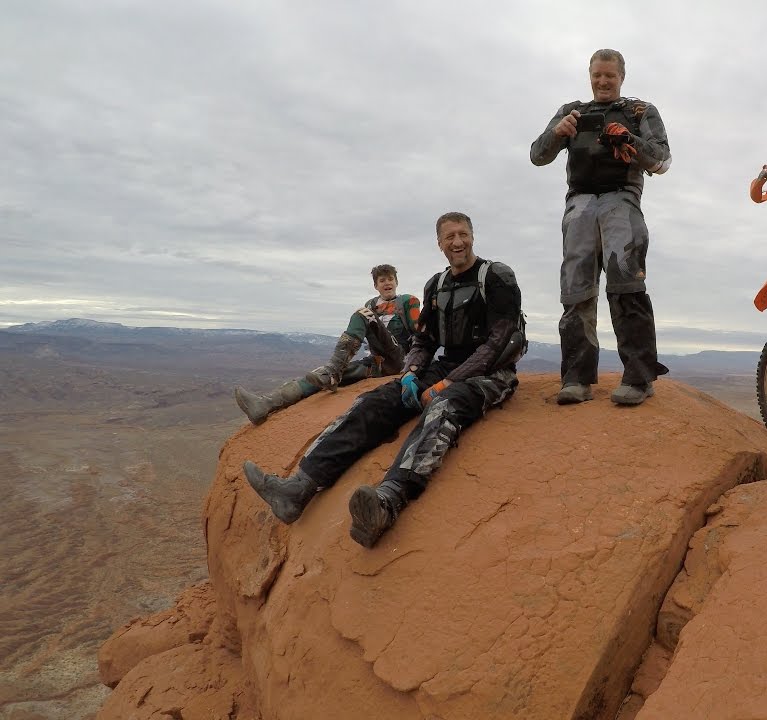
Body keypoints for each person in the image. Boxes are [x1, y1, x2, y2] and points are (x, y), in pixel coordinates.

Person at [241, 212, 524, 548]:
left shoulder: (497, 277)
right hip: (447, 364)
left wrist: (446, 384)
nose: (457, 242)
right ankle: (299, 488)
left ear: (473, 236)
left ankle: (387, 503)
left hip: (491, 373)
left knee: (444, 408)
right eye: (449, 237)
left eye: (463, 234)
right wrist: (410, 374)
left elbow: (496, 346)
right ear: (439, 244)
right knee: (377, 400)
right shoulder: (437, 284)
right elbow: (424, 341)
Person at [530, 48, 672, 406]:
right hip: (579, 202)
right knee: (576, 286)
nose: (603, 81)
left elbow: (662, 160)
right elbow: (537, 154)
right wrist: (557, 134)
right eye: (597, 75)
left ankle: (639, 378)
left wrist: (628, 139)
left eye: (610, 75)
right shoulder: (570, 112)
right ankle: (576, 379)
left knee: (626, 281)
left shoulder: (640, 111)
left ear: (621, 76)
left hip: (621, 198)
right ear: (589, 76)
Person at [232, 265, 420, 424]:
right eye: (382, 280)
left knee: (362, 314)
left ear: (396, 282)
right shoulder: (371, 304)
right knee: (319, 376)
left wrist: (416, 365)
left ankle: (333, 370)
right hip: (377, 364)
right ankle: (265, 404)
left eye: (390, 279)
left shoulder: (408, 301)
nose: (387, 283)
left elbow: (420, 331)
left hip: (399, 359)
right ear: (376, 286)